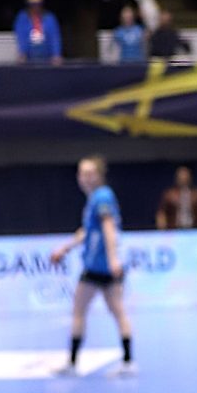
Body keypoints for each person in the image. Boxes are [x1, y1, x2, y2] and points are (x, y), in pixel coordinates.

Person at [48, 156, 135, 377]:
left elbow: (108, 227)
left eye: (90, 173)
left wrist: (113, 259)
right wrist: (65, 247)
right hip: (97, 266)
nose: (85, 178)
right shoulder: (94, 199)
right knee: (108, 311)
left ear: (99, 175)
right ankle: (126, 362)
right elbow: (87, 232)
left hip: (100, 267)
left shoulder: (102, 196)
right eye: (81, 173)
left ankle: (75, 362)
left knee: (92, 311)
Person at [156, 166, 197, 241]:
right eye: (181, 176)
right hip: (175, 232)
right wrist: (162, 231)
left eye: (185, 176)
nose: (183, 178)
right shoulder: (169, 195)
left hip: (194, 232)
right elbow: (162, 214)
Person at [14, 0, 62, 65]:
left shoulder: (49, 17)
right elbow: (21, 36)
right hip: (29, 55)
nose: (36, 7)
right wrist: (22, 52)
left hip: (46, 55)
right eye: (33, 4)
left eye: (38, 4)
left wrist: (56, 54)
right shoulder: (22, 18)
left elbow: (54, 37)